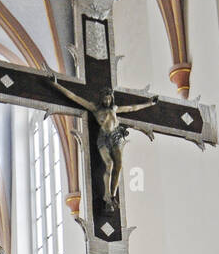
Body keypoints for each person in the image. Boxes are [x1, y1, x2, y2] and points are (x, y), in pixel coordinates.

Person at [50, 81, 159, 209]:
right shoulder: (95, 108)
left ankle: (112, 195)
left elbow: (132, 108)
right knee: (109, 164)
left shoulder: (114, 108)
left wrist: (149, 103)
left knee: (118, 166)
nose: (107, 101)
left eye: (109, 99)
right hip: (103, 138)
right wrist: (56, 85)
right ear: (101, 99)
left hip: (116, 137)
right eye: (105, 99)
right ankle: (106, 196)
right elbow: (74, 97)